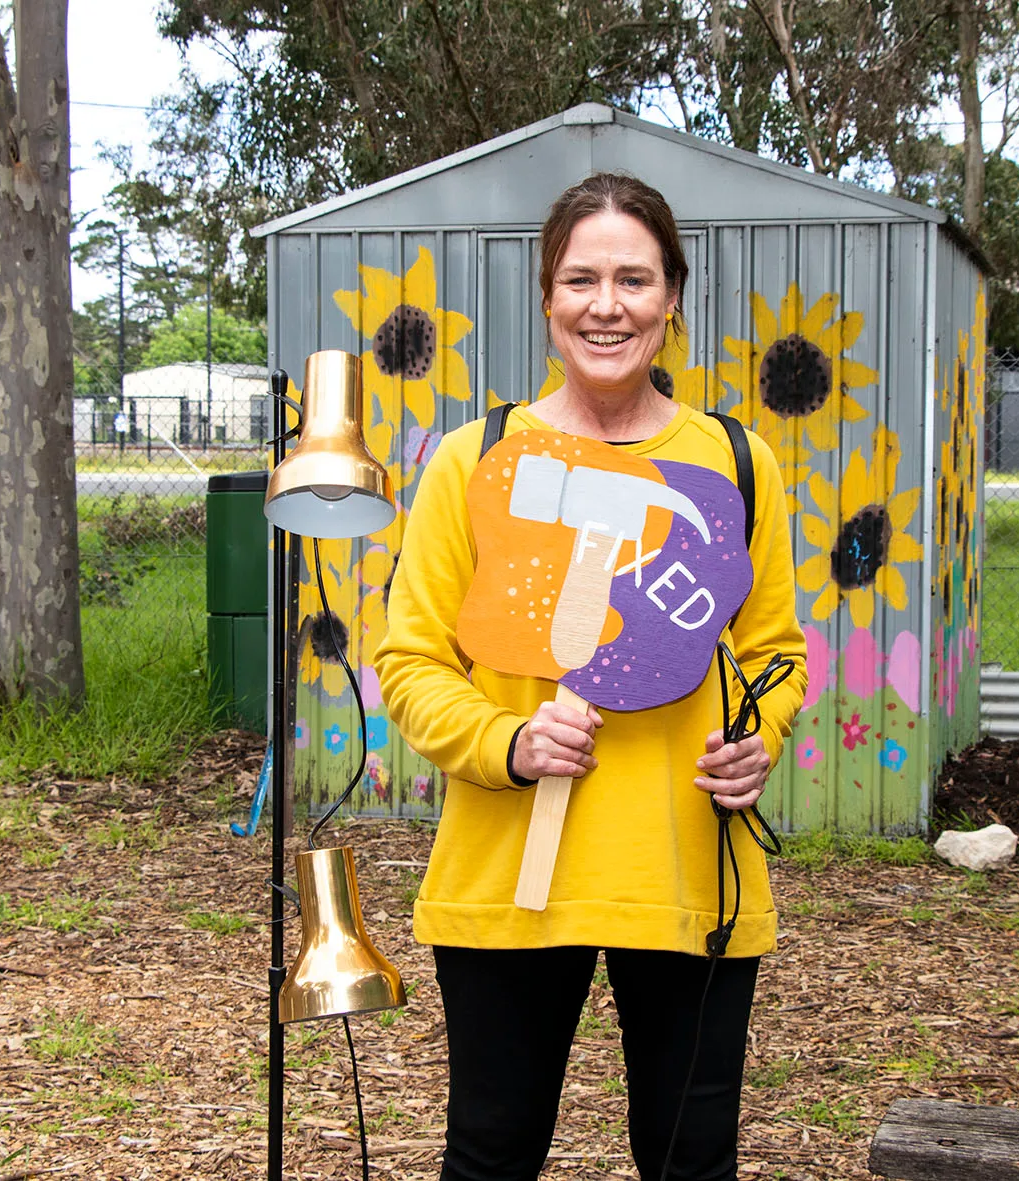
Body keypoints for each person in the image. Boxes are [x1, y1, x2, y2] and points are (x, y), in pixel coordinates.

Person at [374, 172, 807, 1181]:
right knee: (490, 1154)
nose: (604, 304)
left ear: (670, 298)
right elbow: (411, 659)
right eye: (579, 278)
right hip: (507, 878)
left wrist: (760, 737)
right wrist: (506, 743)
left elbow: (776, 651)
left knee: (689, 1159)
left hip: (684, 870)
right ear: (544, 297)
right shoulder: (474, 457)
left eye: (632, 278)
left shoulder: (736, 463)